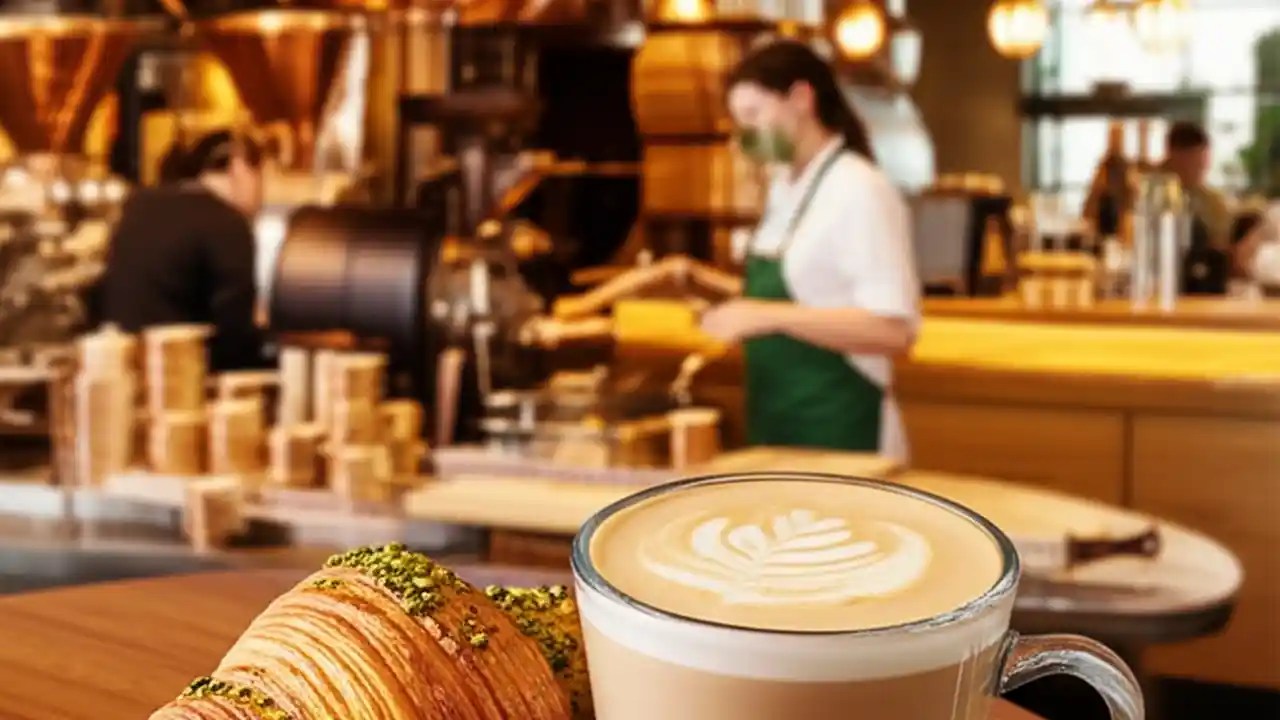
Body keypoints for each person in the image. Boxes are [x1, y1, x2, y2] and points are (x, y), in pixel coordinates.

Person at [693, 39, 920, 461]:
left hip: (843, 433)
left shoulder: (859, 188)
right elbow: (812, 290)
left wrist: (764, 315)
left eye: (754, 115)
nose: (745, 134)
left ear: (801, 99)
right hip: (777, 429)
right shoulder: (785, 188)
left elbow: (895, 331)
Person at [99, 129, 266, 370]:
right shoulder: (227, 223)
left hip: (121, 368)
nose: (261, 196)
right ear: (238, 166)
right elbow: (235, 335)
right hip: (180, 380)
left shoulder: (138, 206)